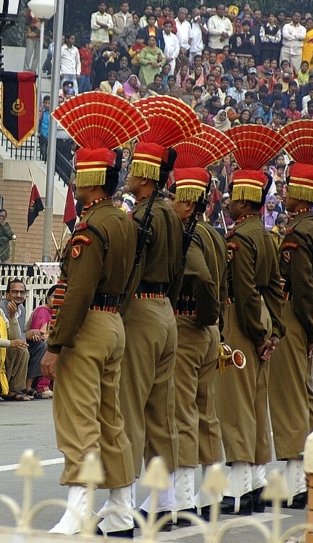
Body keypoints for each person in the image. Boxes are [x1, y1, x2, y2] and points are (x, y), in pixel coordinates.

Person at [40, 92, 139, 535]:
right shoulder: (123, 220)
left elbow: (76, 291)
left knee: (79, 418)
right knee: (110, 418)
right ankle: (120, 509)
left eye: (79, 176)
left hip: (87, 327)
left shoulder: (91, 226)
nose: (75, 184)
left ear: (93, 179)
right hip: (115, 321)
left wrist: (56, 343)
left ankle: (78, 509)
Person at [121, 102, 187, 524]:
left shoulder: (143, 215)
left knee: (129, 407)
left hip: (142, 312)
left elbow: (131, 271)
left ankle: (123, 502)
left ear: (145, 175)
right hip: (166, 311)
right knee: (162, 411)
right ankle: (165, 500)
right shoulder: (170, 212)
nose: (126, 171)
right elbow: (178, 269)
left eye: (132, 165)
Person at [271, 121, 313, 509]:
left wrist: (310, 326)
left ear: (298, 191)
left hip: (293, 321)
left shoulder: (296, 234)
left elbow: (301, 289)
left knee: (288, 400)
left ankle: (295, 482)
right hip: (307, 322)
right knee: (302, 397)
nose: (281, 192)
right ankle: (303, 476)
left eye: (286, 186)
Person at [217, 125, 285, 516]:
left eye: (232, 196)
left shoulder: (238, 239)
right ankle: (257, 482)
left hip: (242, 326)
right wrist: (275, 330)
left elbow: (243, 293)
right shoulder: (267, 236)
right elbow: (274, 289)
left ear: (245, 200)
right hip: (261, 323)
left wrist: (258, 334)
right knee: (256, 405)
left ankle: (238, 489)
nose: (227, 202)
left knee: (235, 405)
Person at [167, 134, 230, 521]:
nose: (172, 202)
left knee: (182, 413)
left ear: (188, 202)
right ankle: (213, 491)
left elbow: (206, 281)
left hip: (191, 326)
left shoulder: (189, 234)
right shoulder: (213, 233)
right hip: (208, 332)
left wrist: (204, 317)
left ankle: (186, 496)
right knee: (206, 412)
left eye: (176, 196)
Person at [0, 279, 46, 399]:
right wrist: (26, 336)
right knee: (22, 349)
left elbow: (21, 332)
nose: (19, 295)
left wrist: (34, 335)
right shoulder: (1, 308)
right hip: (5, 343)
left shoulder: (22, 309)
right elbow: (6, 334)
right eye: (15, 292)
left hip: (19, 340)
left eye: (22, 292)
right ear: (7, 294)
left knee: (42, 345)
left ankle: (28, 385)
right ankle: (14, 388)